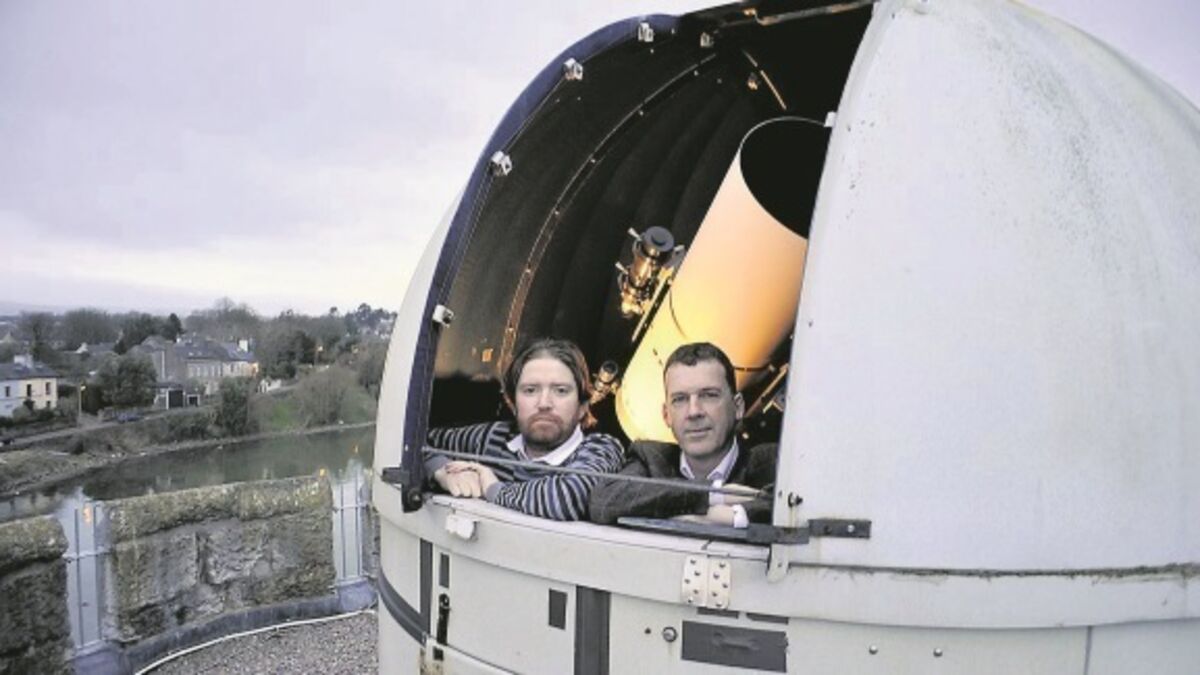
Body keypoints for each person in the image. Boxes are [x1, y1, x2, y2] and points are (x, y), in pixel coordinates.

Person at [424, 337, 624, 521]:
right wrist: (441, 470)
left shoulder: (602, 448)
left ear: (583, 407)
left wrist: (493, 488)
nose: (544, 403)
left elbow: (566, 499)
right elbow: (415, 442)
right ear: (513, 403)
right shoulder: (493, 437)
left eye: (561, 390)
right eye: (530, 390)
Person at [589, 342, 777, 528]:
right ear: (666, 415)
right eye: (680, 399)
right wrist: (712, 494)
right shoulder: (650, 458)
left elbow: (790, 511)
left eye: (709, 395)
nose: (693, 412)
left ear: (738, 407)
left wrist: (729, 518)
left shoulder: (773, 462)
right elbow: (604, 502)